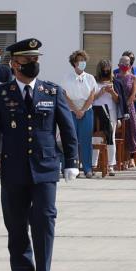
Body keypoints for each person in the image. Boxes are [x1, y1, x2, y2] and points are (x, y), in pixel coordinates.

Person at [0, 38, 80, 271]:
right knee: (16, 225)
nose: (33, 64)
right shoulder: (0, 94)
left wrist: (71, 161)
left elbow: (67, 129)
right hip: (14, 169)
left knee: (44, 221)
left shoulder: (52, 91)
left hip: (46, 167)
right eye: (28, 60)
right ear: (14, 64)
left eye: (36, 59)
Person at [59, 50, 99, 178]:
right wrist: (76, 110)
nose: (82, 63)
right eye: (79, 61)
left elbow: (92, 95)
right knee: (71, 140)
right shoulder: (67, 77)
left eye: (84, 60)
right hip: (71, 111)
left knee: (86, 141)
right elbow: (65, 95)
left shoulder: (90, 78)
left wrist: (83, 110)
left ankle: (87, 169)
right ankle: (70, 168)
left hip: (86, 111)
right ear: (74, 63)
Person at [91, 60, 123, 175]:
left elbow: (119, 100)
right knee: (95, 138)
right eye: (103, 68)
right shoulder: (93, 81)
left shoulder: (115, 81)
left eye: (108, 68)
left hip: (110, 112)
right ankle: (93, 165)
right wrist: (101, 92)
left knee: (110, 137)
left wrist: (112, 92)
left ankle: (111, 165)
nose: (106, 70)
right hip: (95, 111)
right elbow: (91, 98)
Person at [115, 54, 136, 165]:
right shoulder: (115, 76)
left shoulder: (133, 77)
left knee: (130, 132)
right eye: (122, 63)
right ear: (118, 64)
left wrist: (126, 104)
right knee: (119, 132)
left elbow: (134, 93)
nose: (124, 65)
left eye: (127, 63)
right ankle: (120, 158)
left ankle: (130, 158)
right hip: (118, 106)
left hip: (129, 107)